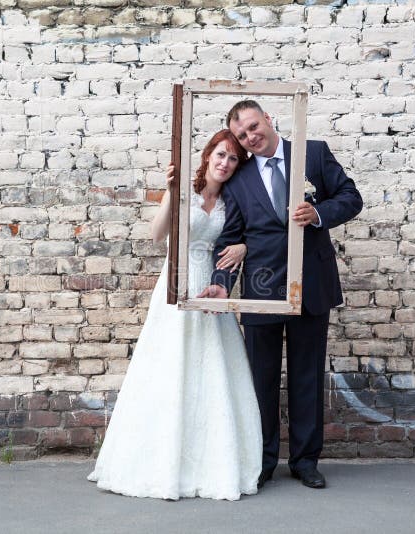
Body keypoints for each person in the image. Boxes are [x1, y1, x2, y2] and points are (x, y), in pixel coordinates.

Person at [88, 130, 262, 500]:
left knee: (213, 371)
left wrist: (244, 247)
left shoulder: (234, 202)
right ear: (207, 156)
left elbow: (243, 236)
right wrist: (170, 192)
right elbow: (156, 234)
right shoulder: (185, 191)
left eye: (232, 159)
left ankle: (213, 462)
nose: (225, 164)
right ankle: (163, 463)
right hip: (175, 287)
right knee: (169, 370)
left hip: (211, 290)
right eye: (220, 155)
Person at [198, 100, 363, 490]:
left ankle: (306, 461)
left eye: (254, 127)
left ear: (269, 119)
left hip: (312, 285)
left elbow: (351, 197)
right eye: (241, 135)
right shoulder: (238, 178)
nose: (250, 137)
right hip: (259, 287)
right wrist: (222, 279)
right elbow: (231, 237)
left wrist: (318, 213)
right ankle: (263, 459)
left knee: (307, 377)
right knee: (261, 380)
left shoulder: (315, 153)